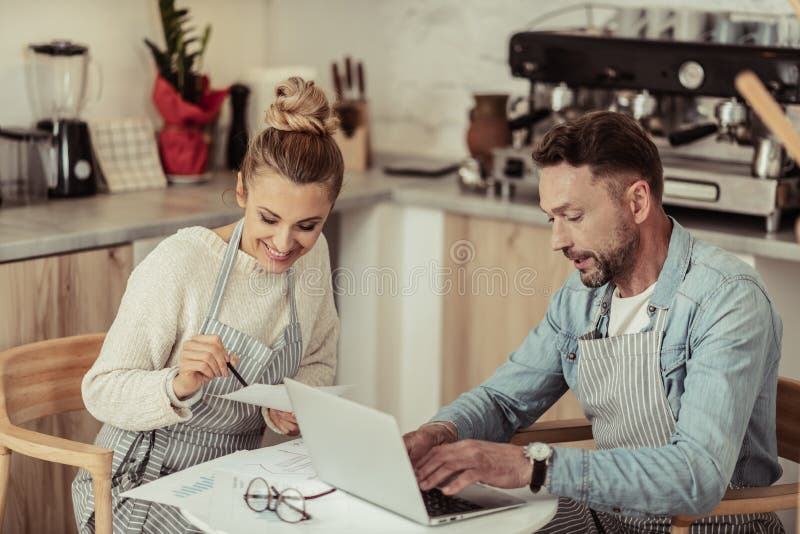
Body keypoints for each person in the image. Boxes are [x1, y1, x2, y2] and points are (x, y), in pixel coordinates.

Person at [404, 111, 785, 533]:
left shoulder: (727, 299)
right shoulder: (580, 298)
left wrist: (534, 466)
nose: (558, 240)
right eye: (553, 218)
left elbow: (697, 476)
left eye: (575, 216)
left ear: (637, 202)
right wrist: (439, 432)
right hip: (610, 518)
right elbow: (503, 400)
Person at [72, 77, 343, 533]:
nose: (283, 243)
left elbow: (317, 359)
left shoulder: (313, 259)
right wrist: (177, 384)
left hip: (236, 482)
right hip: (138, 486)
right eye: (269, 219)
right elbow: (100, 389)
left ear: (328, 213)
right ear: (242, 192)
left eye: (307, 225)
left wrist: (292, 404)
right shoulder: (182, 262)